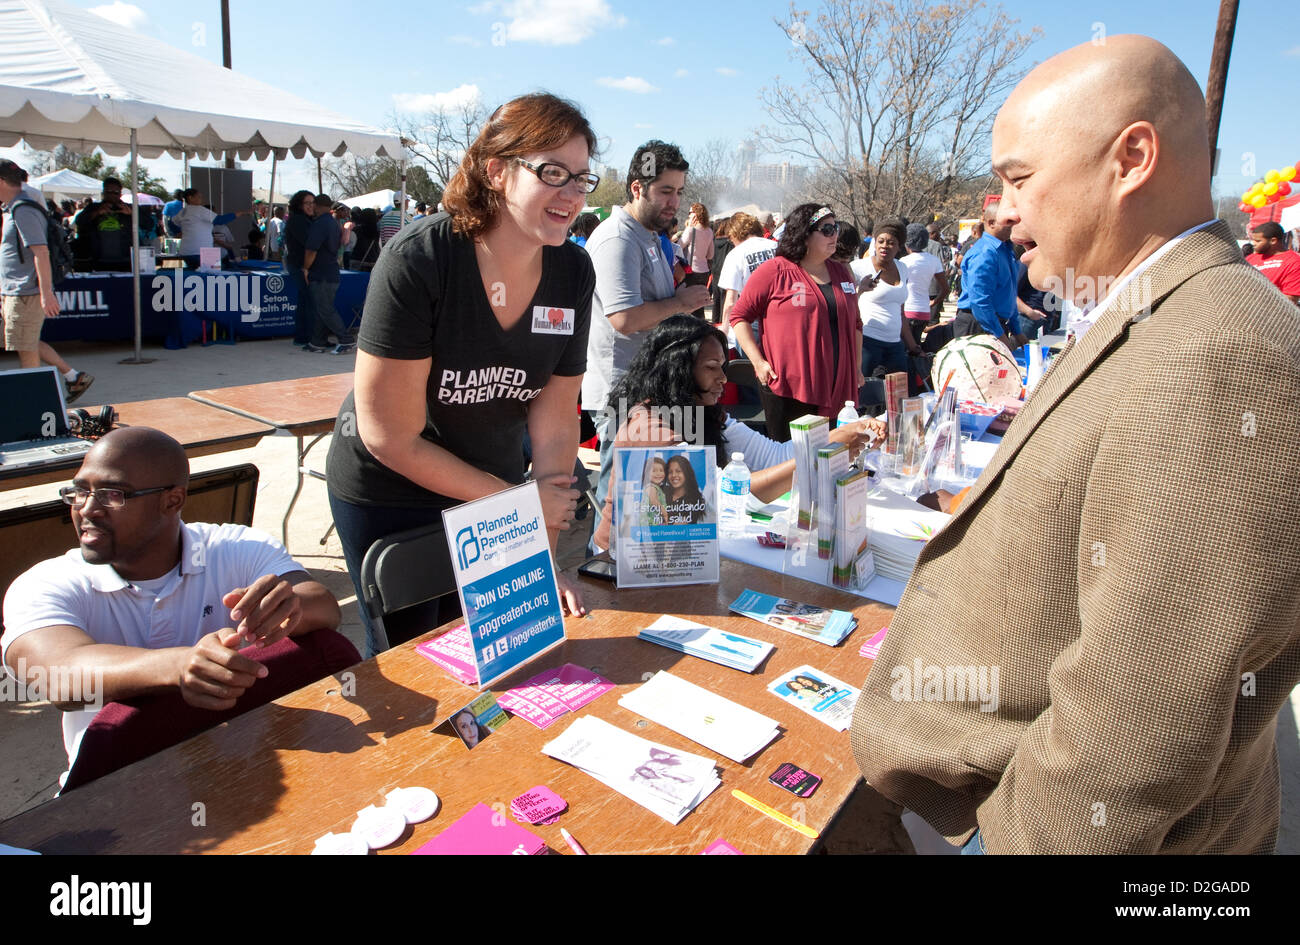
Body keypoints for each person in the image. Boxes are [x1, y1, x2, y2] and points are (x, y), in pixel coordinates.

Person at [850, 34, 1300, 854]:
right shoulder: (1151, 311)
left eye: (1019, 178)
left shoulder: (1221, 352)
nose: (1001, 210)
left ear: (1131, 157)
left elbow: (1139, 721)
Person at [326, 92, 598, 658]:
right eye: (553, 173)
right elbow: (389, 437)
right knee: (419, 666)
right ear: (497, 171)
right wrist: (515, 504)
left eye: (582, 179)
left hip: (491, 483)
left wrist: (544, 556)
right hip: (391, 491)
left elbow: (554, 418)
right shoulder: (421, 260)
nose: (571, 194)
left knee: (510, 653)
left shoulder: (572, 269)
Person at [1, 428, 341, 783]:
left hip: (251, 766)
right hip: (115, 786)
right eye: (79, 491)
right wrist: (181, 666)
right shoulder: (46, 583)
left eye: (112, 494)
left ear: (172, 501)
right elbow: (56, 676)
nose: (87, 508)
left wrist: (290, 606)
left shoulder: (238, 548)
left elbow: (325, 607)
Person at [593, 315, 881, 551]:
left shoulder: (702, 412)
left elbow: (772, 456)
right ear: (677, 370)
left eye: (723, 367)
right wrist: (825, 449)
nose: (723, 379)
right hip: (623, 563)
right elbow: (721, 497)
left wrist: (846, 434)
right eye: (711, 368)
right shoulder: (651, 428)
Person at [581, 139, 710, 546]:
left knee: (640, 510)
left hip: (646, 393)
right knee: (614, 509)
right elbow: (623, 318)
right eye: (665, 191)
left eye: (679, 192)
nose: (675, 202)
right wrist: (681, 304)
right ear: (637, 188)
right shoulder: (618, 239)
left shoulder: (652, 237)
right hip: (621, 395)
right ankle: (598, 589)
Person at [731, 204, 862, 442]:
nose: (835, 235)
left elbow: (856, 324)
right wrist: (759, 363)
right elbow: (739, 316)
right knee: (789, 463)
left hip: (838, 387)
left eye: (836, 229)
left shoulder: (842, 273)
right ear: (804, 234)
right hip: (789, 387)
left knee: (830, 460)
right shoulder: (775, 271)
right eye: (827, 229)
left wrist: (857, 367)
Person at [0, 160, 93, 401]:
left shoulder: (23, 209)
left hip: (25, 291)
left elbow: (41, 252)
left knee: (26, 348)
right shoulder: (13, 207)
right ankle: (73, 376)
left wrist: (45, 293)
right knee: (25, 341)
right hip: (15, 289)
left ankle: (33, 403)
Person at [856, 222, 919, 388]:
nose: (885, 246)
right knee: (862, 394)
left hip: (895, 343)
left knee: (899, 394)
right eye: (881, 241)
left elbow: (900, 311)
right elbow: (845, 301)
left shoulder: (903, 268)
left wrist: (912, 345)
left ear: (899, 246)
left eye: (891, 243)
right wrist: (860, 289)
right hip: (867, 342)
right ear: (875, 243)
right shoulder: (859, 267)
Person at [952, 201, 1018, 347]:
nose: (1013, 225)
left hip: (994, 324)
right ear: (991, 223)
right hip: (978, 325)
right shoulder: (985, 253)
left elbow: (1009, 294)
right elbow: (980, 301)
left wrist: (1016, 330)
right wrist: (999, 335)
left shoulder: (1005, 250)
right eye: (1008, 221)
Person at [301, 194, 355, 355]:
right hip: (331, 272)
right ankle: (317, 342)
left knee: (325, 309)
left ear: (318, 205)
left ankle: (346, 339)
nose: (311, 207)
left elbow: (311, 250)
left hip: (321, 273)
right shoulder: (333, 223)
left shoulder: (320, 224)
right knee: (322, 308)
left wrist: (305, 268)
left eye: (313, 204)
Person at [716, 212, 776, 351]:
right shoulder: (776, 247)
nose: (731, 242)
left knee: (749, 368)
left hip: (752, 319)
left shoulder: (736, 255)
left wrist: (725, 329)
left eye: (731, 238)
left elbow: (731, 301)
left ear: (735, 234)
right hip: (780, 314)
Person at [281, 190, 319, 347]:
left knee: (306, 301)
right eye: (307, 203)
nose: (311, 206)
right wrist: (305, 267)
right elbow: (308, 244)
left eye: (312, 203)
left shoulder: (306, 220)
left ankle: (304, 335)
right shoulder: (298, 221)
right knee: (307, 301)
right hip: (299, 265)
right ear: (299, 204)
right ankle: (305, 336)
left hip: (303, 265)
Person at [901, 222, 948, 329]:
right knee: (917, 341)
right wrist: (933, 303)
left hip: (907, 310)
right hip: (924, 311)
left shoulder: (903, 262)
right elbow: (945, 289)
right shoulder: (934, 261)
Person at [1245, 221, 1300, 303]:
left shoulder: (1294, 262)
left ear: (1273, 241)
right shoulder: (1250, 259)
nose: (1254, 244)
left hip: (1271, 312)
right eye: (1253, 240)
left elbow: (1291, 299)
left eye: (1258, 241)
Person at [677, 202, 714, 318]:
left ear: (695, 214)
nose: (689, 215)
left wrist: (687, 228)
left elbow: (678, 247)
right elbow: (710, 255)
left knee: (688, 304)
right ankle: (701, 326)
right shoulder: (709, 231)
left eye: (690, 212)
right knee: (700, 304)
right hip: (704, 272)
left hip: (690, 270)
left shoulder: (690, 230)